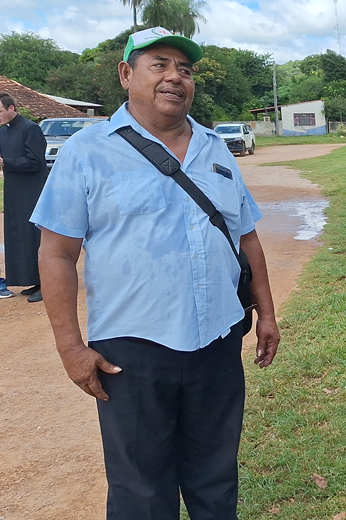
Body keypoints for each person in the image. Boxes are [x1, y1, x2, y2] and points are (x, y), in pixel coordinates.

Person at [30, 27, 280, 518]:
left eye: (184, 70)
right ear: (127, 74)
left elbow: (245, 236)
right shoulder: (87, 151)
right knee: (141, 492)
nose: (175, 77)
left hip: (218, 338)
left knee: (215, 480)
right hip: (132, 351)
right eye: (159, 65)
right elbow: (56, 253)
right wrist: (70, 348)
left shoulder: (214, 147)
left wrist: (266, 315)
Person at [0, 92, 48, 302]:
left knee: (34, 236)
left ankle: (45, 283)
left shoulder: (31, 128)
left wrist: (6, 163)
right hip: (14, 189)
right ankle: (31, 279)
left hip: (32, 190)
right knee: (18, 235)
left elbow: (36, 162)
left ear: (11, 109)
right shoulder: (3, 132)